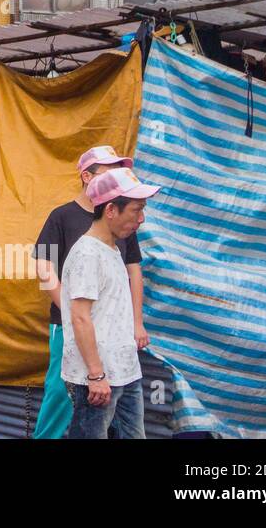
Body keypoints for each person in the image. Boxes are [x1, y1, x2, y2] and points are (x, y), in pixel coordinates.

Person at [31, 145, 147, 439]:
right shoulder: (61, 216)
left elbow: (133, 270)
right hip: (69, 323)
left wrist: (136, 323)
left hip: (113, 330)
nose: (118, 176)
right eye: (110, 171)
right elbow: (42, 267)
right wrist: (72, 314)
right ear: (86, 176)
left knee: (111, 406)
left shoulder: (124, 223)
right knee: (61, 393)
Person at [61, 167, 158, 439]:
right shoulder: (87, 253)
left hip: (124, 369)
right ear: (111, 210)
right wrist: (95, 375)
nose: (141, 219)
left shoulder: (112, 248)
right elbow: (80, 316)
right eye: (136, 210)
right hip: (98, 377)